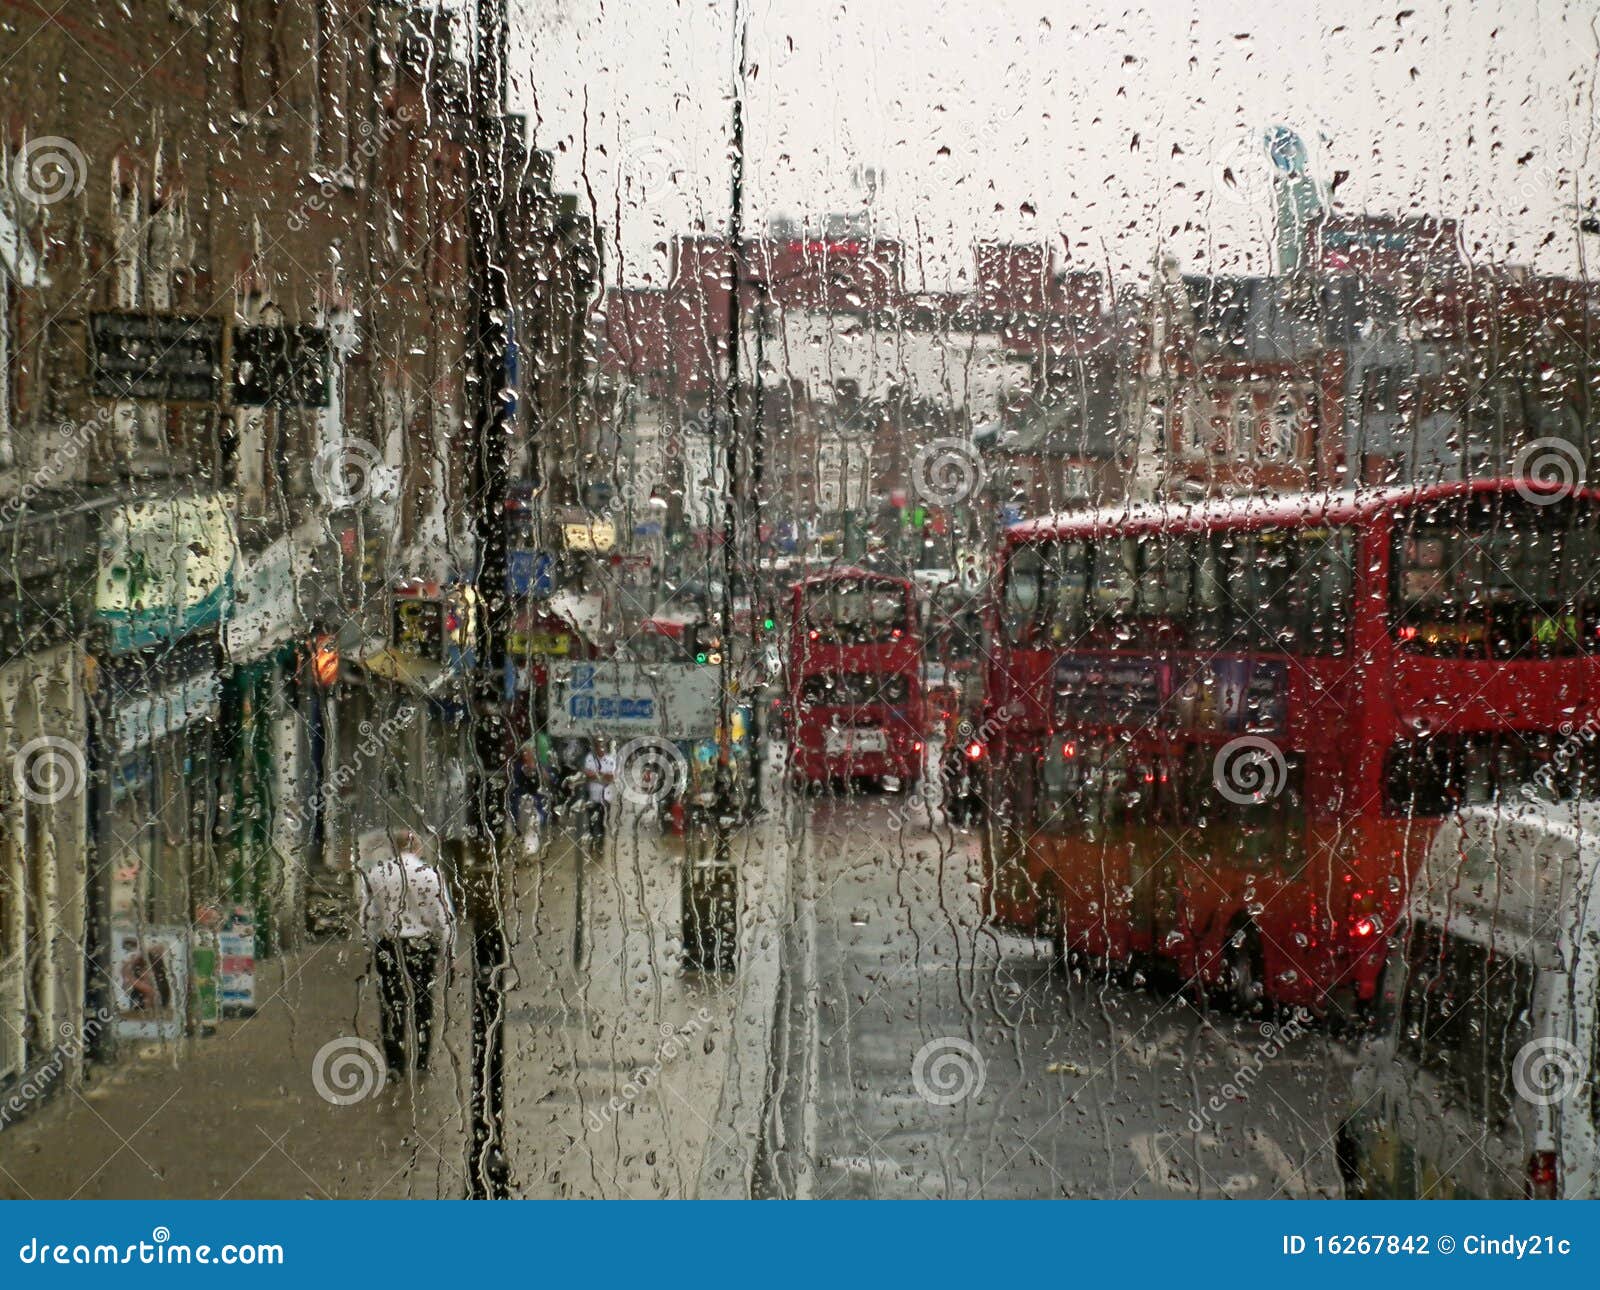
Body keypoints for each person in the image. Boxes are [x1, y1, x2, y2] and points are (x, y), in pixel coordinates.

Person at [359, 830, 455, 1081]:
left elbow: (369, 916)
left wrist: (371, 945)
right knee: (423, 1002)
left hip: (390, 944)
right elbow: (442, 915)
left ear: (393, 847)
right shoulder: (430, 875)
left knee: (391, 1003)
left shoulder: (376, 874)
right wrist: (448, 947)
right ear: (418, 847)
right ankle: (421, 1059)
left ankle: (395, 1063)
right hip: (421, 945)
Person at [582, 741, 616, 842]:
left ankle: (600, 843)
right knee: (591, 820)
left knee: (602, 821)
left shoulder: (610, 759)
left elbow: (611, 777)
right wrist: (602, 775)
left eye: (602, 746)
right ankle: (593, 841)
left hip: (606, 797)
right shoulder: (589, 758)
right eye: (598, 746)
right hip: (592, 796)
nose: (601, 748)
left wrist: (595, 775)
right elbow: (586, 775)